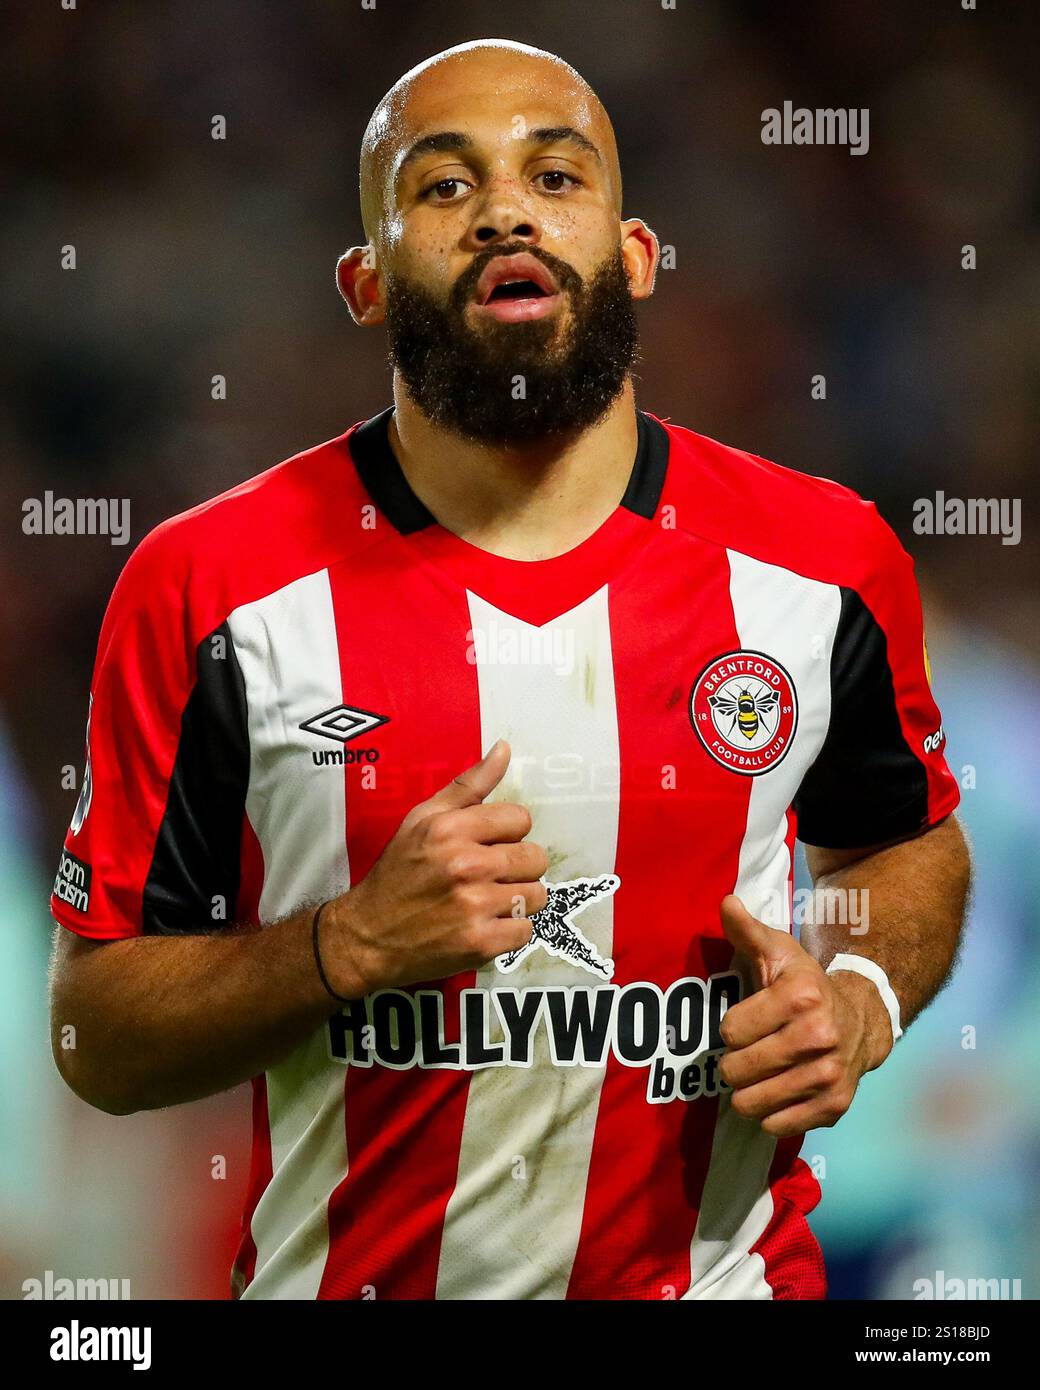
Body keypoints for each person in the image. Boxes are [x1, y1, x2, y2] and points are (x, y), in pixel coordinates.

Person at [49, 39, 970, 1301]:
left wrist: (860, 992)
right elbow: (94, 1033)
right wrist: (342, 947)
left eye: (553, 173)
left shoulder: (820, 561)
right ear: (365, 284)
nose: (502, 211)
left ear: (633, 254)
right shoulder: (210, 586)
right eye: (441, 187)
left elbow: (901, 839)